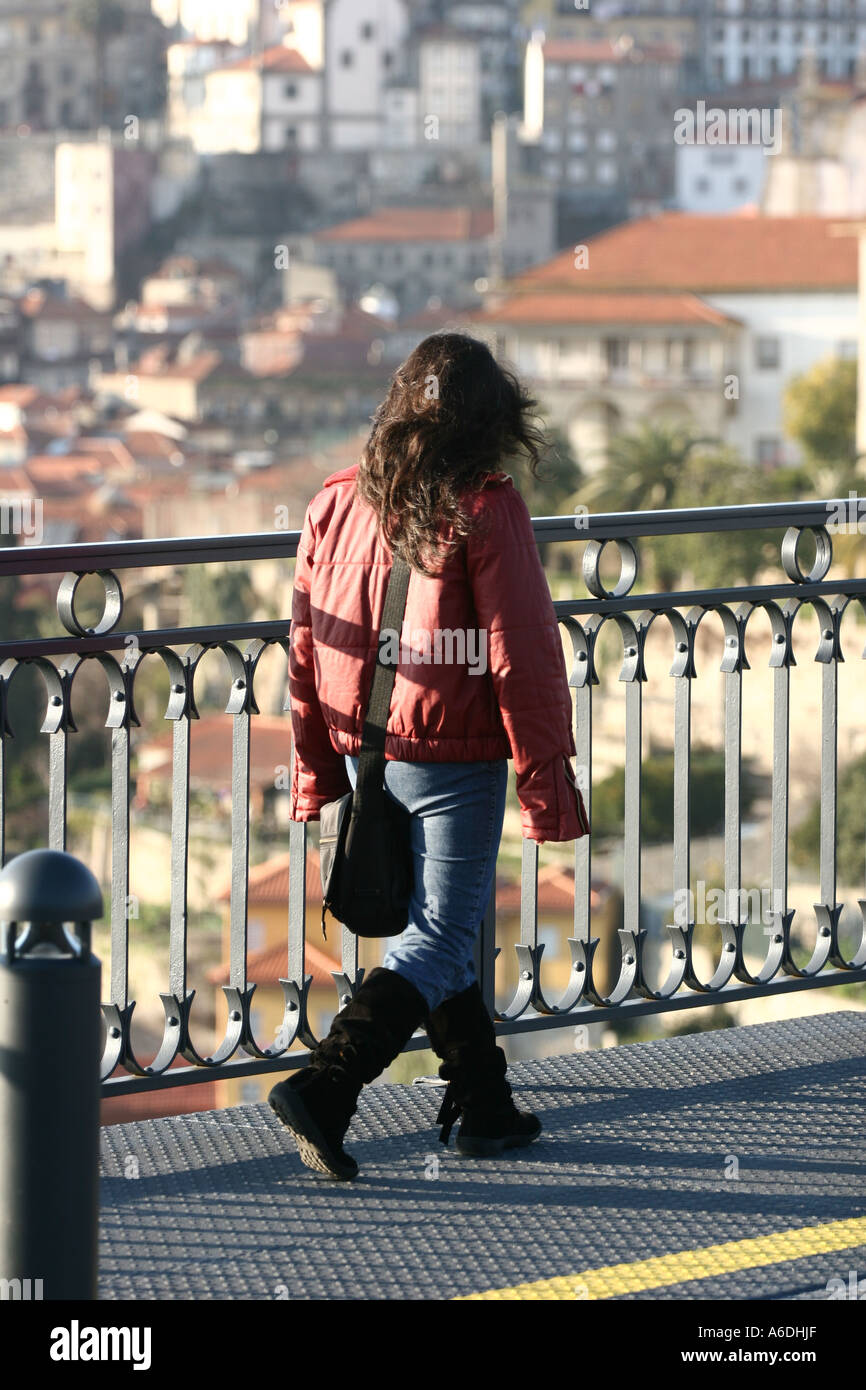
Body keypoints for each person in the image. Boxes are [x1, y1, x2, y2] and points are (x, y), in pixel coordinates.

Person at [268, 332, 589, 1180]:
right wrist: (547, 785)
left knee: (434, 929)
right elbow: (523, 656)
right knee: (446, 936)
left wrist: (316, 768)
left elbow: (302, 644)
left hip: (370, 748)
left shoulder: (336, 500)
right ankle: (327, 1087)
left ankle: (485, 1106)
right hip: (452, 755)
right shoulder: (487, 506)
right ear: (496, 419)